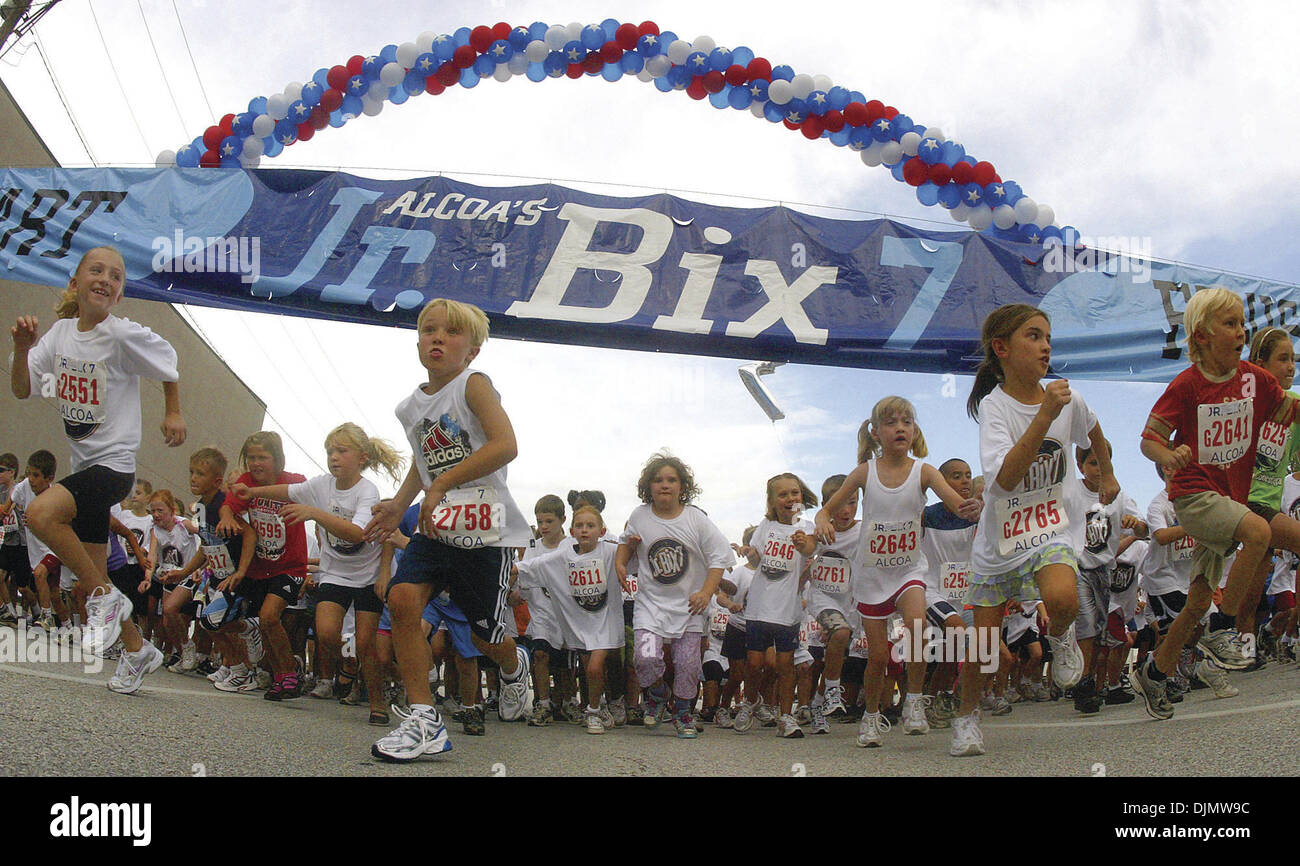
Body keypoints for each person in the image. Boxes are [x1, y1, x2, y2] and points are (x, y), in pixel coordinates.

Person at [9, 246, 186, 692]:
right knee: (92, 577)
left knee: (41, 515)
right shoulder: (61, 334)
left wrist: (173, 412)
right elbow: (21, 389)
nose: (106, 278)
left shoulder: (121, 334)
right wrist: (20, 348)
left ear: (119, 294)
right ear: (75, 283)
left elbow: (168, 360)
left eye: (117, 276)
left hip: (114, 466)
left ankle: (107, 600)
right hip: (83, 464)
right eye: (96, 270)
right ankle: (136, 649)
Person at [364, 298, 533, 762]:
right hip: (437, 526)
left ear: (473, 350)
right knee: (401, 599)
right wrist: (399, 505)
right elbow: (423, 463)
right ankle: (424, 719)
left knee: (485, 636)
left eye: (452, 333)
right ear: (418, 342)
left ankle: (514, 668)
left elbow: (506, 445)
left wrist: (443, 482)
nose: (438, 338)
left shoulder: (473, 385)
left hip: (485, 527)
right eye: (429, 330)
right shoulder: (409, 407)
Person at [954, 303, 1117, 756]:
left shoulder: (1069, 399)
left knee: (1064, 599)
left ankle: (1060, 636)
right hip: (999, 542)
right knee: (984, 651)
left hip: (1048, 528)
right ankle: (966, 717)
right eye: (1033, 336)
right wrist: (1045, 415)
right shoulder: (995, 407)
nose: (1045, 345)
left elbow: (1093, 431)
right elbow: (1004, 479)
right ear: (1001, 348)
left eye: (1048, 337)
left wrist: (1109, 473)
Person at [1136, 288, 1299, 719]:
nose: (1241, 332)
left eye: (1242, 324)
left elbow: (1289, 409)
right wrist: (1167, 455)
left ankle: (1156, 670)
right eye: (1230, 324)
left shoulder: (1256, 380)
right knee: (1259, 532)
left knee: (1196, 600)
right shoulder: (1186, 385)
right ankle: (1224, 629)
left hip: (1227, 499)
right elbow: (1149, 439)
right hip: (1192, 494)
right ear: (1202, 336)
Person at [816, 396, 980, 749]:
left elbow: (957, 505)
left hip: (909, 569)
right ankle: (871, 716)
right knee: (877, 657)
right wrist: (821, 523)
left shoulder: (925, 471)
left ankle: (915, 700)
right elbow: (825, 512)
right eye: (891, 422)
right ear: (876, 432)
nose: (900, 427)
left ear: (914, 430)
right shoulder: (864, 472)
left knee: (919, 625)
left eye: (907, 421)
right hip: (873, 575)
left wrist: (971, 508)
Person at [231, 422, 402, 724]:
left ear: (362, 457)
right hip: (335, 572)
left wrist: (313, 512)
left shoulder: (367, 490)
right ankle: (344, 668)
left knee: (365, 643)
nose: (333, 457)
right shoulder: (321, 485)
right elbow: (287, 490)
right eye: (329, 451)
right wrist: (251, 491)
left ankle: (377, 701)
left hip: (366, 574)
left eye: (341, 451)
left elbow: (357, 534)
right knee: (325, 633)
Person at [616, 452, 733, 739]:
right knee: (644, 658)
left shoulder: (696, 520)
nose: (664, 485)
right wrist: (621, 562)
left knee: (688, 664)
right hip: (650, 605)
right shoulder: (639, 515)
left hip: (689, 607)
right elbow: (625, 544)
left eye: (671, 480)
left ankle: (683, 711)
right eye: (657, 480)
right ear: (648, 486)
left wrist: (706, 592)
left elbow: (719, 558)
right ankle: (657, 694)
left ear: (683, 486)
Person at [515, 505, 624, 734]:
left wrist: (633, 543)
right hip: (581, 624)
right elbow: (535, 566)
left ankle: (593, 712)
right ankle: (598, 704)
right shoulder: (564, 555)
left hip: (605, 621)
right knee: (589, 669)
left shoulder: (611, 552)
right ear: (572, 531)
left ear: (601, 531)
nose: (585, 530)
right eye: (580, 526)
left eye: (590, 526)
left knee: (595, 668)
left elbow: (633, 555)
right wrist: (508, 569)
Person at [218, 431, 309, 700]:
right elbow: (228, 506)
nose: (256, 463)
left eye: (263, 458)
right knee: (264, 623)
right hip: (260, 566)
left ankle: (289, 674)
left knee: (270, 616)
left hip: (290, 565)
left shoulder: (295, 482)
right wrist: (227, 517)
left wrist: (253, 493)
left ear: (278, 459)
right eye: (251, 458)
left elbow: (306, 493)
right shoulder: (245, 481)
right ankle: (278, 674)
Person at [740, 472, 818, 739]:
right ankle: (749, 702)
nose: (790, 498)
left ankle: (786, 715)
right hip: (759, 606)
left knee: (786, 665)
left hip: (787, 609)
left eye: (794, 493)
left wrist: (803, 544)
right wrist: (750, 553)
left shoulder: (806, 527)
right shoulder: (765, 526)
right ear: (772, 501)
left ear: (801, 496)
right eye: (782, 494)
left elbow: (809, 550)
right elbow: (757, 555)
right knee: (754, 663)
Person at [1071, 440, 1146, 714]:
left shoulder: (1119, 496)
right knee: (1087, 625)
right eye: (1092, 463)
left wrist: (1134, 525)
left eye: (1103, 463)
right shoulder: (1071, 492)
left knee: (1100, 632)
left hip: (1104, 570)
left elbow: (1144, 530)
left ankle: (1090, 683)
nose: (1099, 469)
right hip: (1078, 568)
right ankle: (1082, 681)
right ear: (1080, 466)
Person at [918, 458, 978, 727]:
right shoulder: (927, 515)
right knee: (957, 629)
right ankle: (923, 700)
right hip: (932, 591)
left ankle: (936, 699)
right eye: (956, 476)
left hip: (962, 596)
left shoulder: (977, 516)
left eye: (968, 475)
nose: (964, 480)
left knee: (953, 657)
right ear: (941, 483)